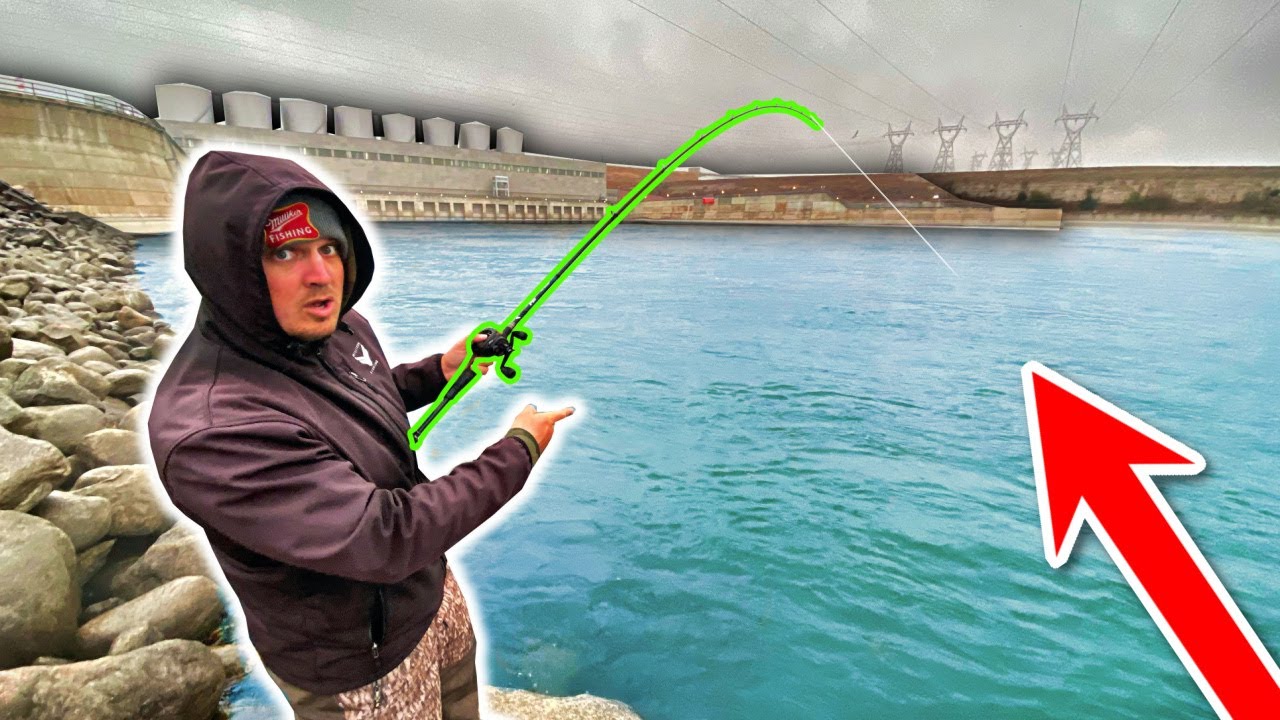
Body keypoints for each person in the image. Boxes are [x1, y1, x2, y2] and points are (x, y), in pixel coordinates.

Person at [148, 151, 575, 719]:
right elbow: (387, 536)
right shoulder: (213, 430)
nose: (321, 274)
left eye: (329, 248)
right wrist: (518, 449)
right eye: (284, 253)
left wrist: (442, 370)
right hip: (356, 664)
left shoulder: (338, 324)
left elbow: (355, 398)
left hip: (427, 596)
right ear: (231, 269)